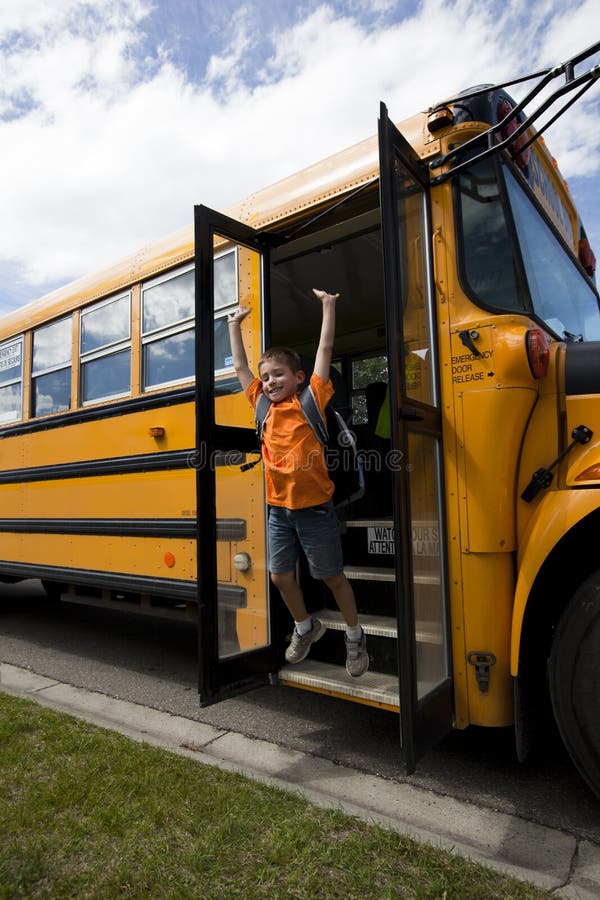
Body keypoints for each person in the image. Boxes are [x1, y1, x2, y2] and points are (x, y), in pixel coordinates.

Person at [227, 289, 368, 677]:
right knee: (280, 577)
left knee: (332, 577)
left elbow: (325, 350)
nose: (270, 381)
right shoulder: (261, 405)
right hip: (279, 512)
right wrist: (233, 326)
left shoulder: (310, 400)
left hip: (315, 511)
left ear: (298, 378)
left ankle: (355, 636)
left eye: (278, 375)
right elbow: (240, 367)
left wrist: (328, 306)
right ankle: (305, 627)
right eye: (266, 377)